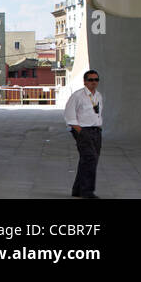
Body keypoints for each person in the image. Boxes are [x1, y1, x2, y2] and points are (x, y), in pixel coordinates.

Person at [64, 69, 103, 198]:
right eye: (90, 80)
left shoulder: (98, 96)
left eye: (96, 80)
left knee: (88, 160)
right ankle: (87, 191)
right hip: (83, 131)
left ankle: (78, 189)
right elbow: (69, 116)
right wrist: (80, 131)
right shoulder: (77, 96)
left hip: (96, 131)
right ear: (85, 81)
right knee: (90, 158)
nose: (93, 82)